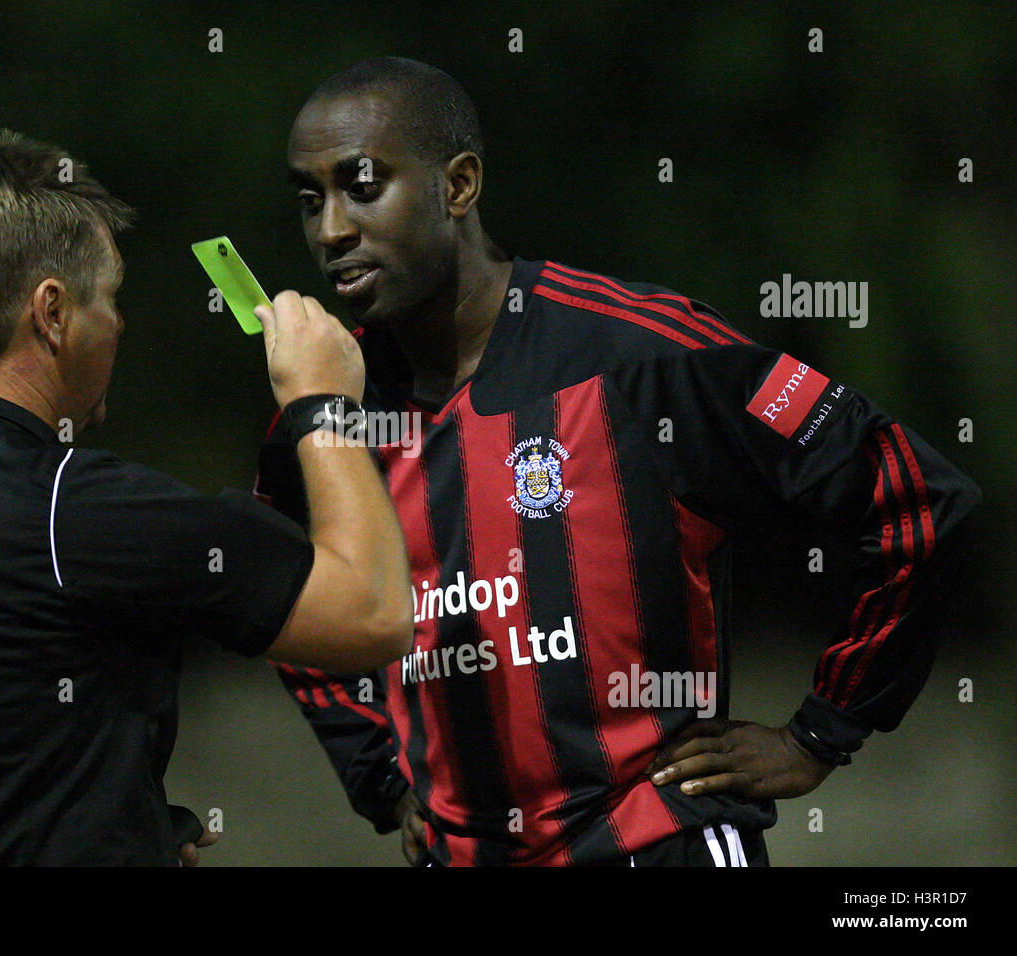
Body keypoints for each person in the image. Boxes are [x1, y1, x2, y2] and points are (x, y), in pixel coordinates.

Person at [255, 58, 982, 866]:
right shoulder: (327, 416)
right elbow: (285, 601)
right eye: (309, 199)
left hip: (656, 843)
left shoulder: (642, 357)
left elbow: (917, 500)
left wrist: (819, 733)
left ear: (458, 186)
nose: (330, 230)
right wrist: (385, 780)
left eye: (362, 186)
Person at [0, 128, 412, 866]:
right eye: (110, 296)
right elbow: (372, 614)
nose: (118, 323)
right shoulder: (84, 513)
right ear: (52, 312)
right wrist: (322, 404)